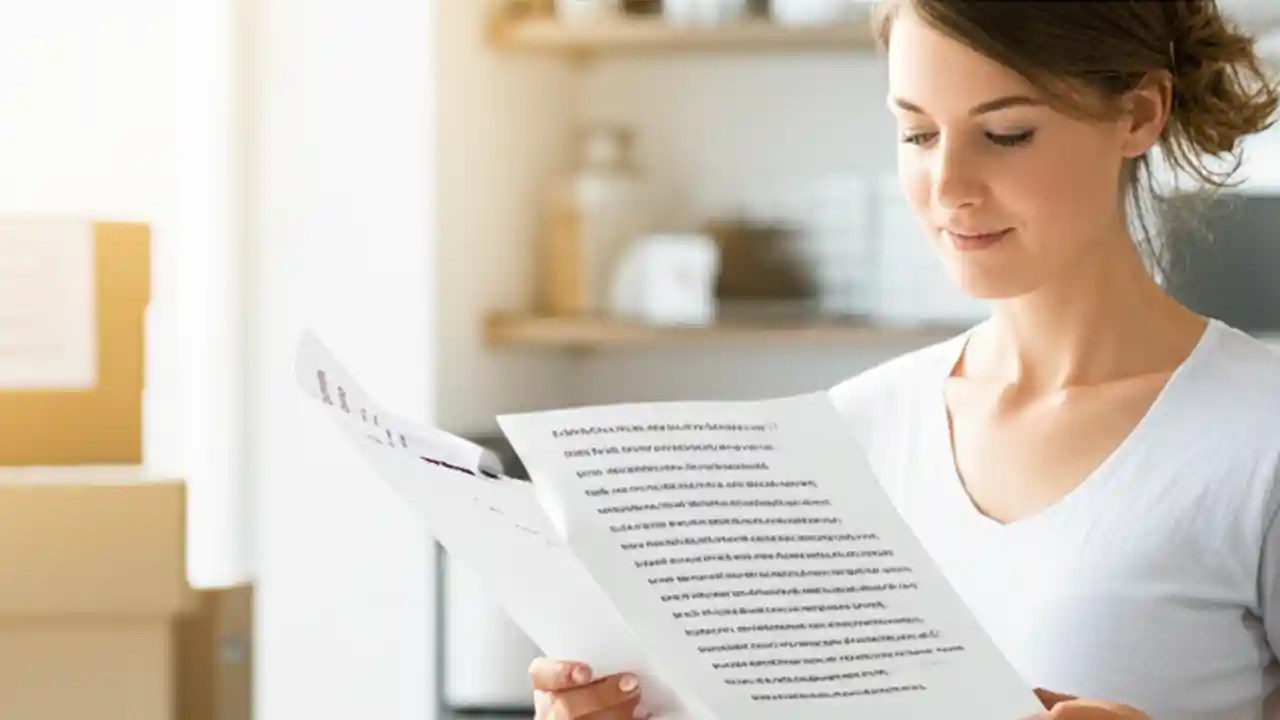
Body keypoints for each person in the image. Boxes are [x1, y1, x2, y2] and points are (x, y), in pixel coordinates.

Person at [527, 1, 1280, 718]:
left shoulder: (1257, 438)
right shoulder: (845, 436)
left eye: (1007, 133)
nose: (948, 187)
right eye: (918, 135)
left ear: (1140, 113)